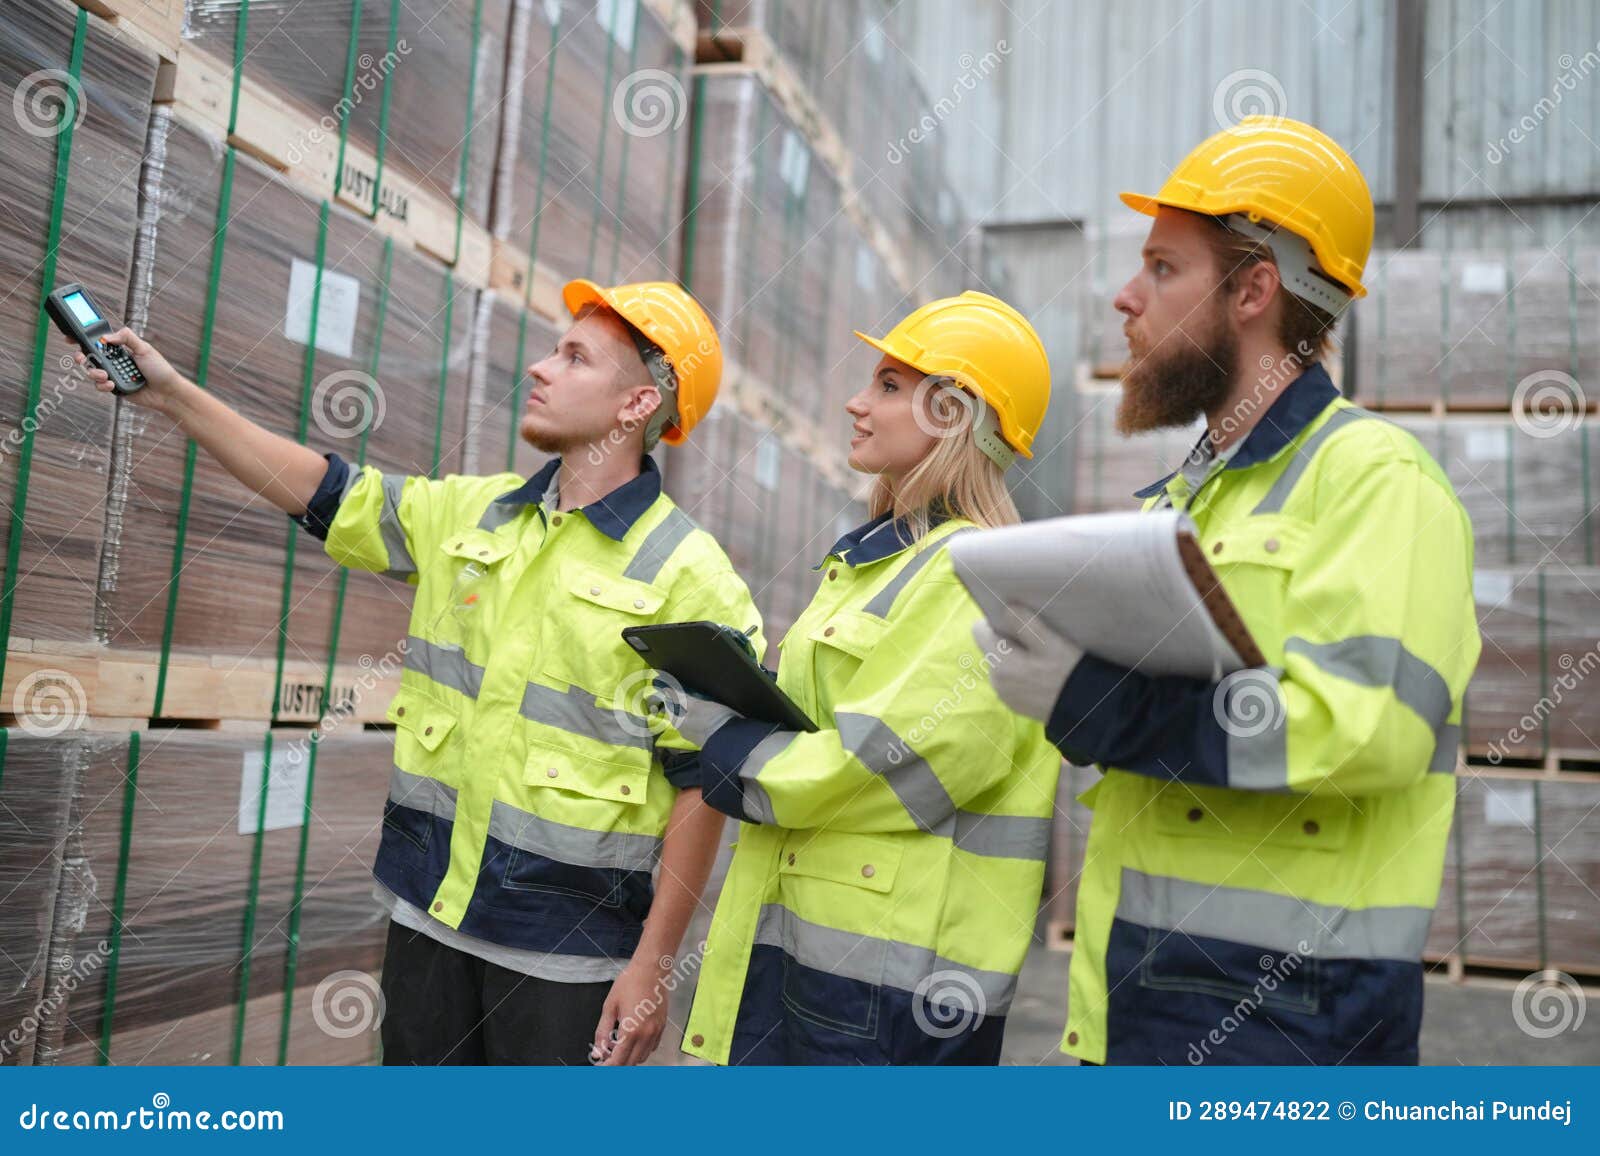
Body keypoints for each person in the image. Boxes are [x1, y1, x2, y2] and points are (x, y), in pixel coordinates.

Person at [71, 280, 764, 1066]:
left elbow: (699, 786)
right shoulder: (476, 514)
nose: (539, 368)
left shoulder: (691, 577)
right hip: (428, 916)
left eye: (574, 357)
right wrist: (170, 394)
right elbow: (321, 490)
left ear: (638, 404)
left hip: (567, 957)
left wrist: (652, 964)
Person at [980, 117, 1480, 1065]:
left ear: (1253, 290)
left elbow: (1371, 726)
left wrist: (1102, 706)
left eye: (1163, 268)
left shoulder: (1376, 479)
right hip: (1143, 994)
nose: (1127, 298)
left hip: (1291, 1017)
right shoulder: (1186, 501)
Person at [667, 291, 1061, 1065]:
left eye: (886, 386)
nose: (855, 403)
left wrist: (728, 745)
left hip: (890, 989)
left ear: (954, 414)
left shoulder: (973, 573)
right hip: (819, 958)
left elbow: (886, 762)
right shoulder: (875, 562)